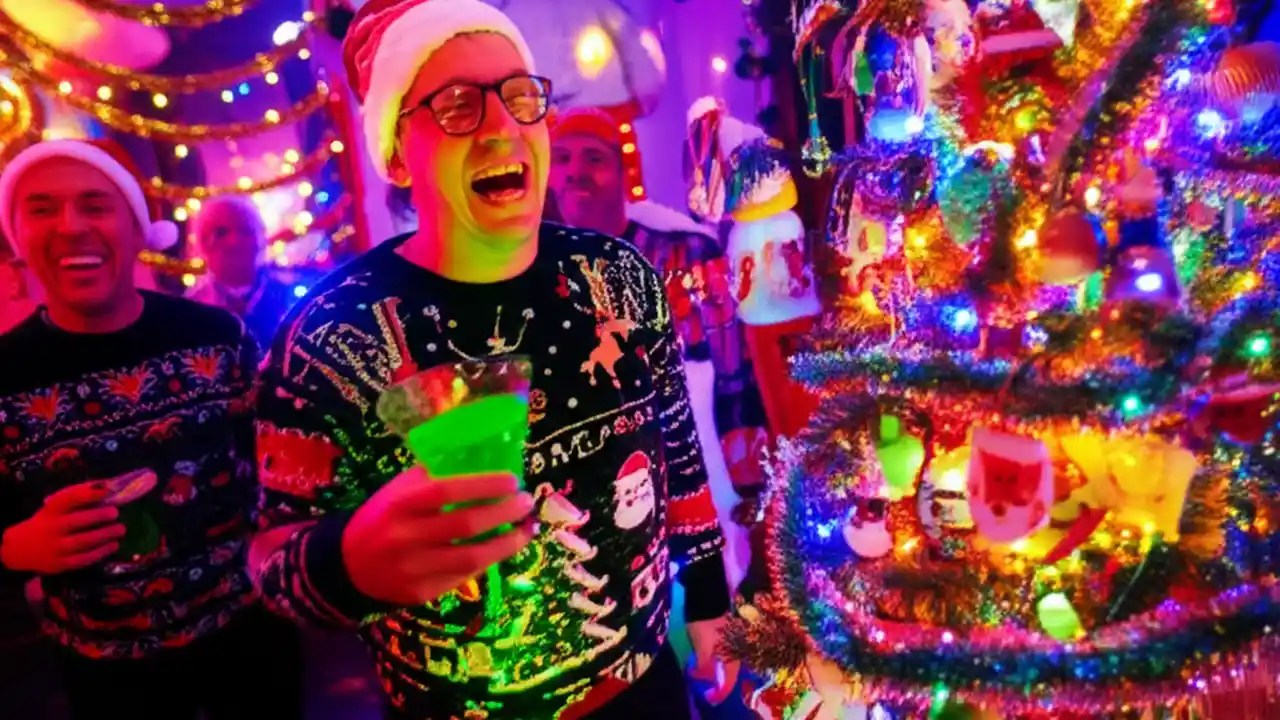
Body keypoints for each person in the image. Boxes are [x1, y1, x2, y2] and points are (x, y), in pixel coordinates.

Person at [249, 0, 736, 718]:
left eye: (520, 96)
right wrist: (347, 563)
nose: (502, 126)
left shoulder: (621, 278)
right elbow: (269, 560)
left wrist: (709, 597)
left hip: (645, 690)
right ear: (393, 152)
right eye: (455, 106)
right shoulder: (331, 336)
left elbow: (679, 454)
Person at [0, 139, 302, 720]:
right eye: (42, 209)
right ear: (18, 238)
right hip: (109, 677)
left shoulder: (218, 336)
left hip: (251, 645)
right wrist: (13, 546)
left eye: (95, 205)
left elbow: (280, 466)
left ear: (139, 228)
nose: (70, 227)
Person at [549, 108, 770, 495]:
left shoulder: (688, 254)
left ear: (622, 171)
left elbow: (734, 377)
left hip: (701, 478)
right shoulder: (545, 274)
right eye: (562, 159)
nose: (574, 172)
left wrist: (747, 485)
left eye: (594, 158)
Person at [187, 195, 299, 350]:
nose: (234, 241)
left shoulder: (291, 299)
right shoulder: (190, 309)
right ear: (203, 243)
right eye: (221, 232)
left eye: (245, 230)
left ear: (260, 239)